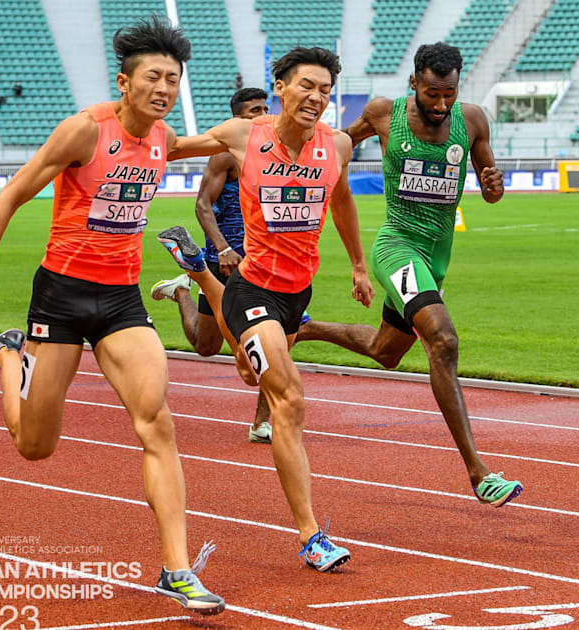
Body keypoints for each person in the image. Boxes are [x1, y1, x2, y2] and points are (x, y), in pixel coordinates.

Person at [0, 17, 225, 615]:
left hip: (121, 300)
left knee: (158, 422)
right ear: (124, 82)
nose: (165, 87)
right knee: (34, 447)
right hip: (62, 299)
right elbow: (11, 194)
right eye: (154, 76)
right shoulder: (83, 132)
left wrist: (270, 126)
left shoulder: (163, 137)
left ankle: (176, 569)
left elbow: (214, 141)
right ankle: (9, 354)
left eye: (174, 79)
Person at [158, 46, 375, 572]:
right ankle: (311, 535)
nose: (316, 97)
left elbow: (341, 201)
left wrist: (358, 265)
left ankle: (197, 278)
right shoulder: (241, 135)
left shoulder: (338, 145)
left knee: (259, 382)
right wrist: (119, 134)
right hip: (252, 289)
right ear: (280, 86)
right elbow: (171, 148)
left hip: (296, 294)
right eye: (306, 85)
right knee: (289, 402)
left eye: (325, 89)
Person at [294, 42, 524, 509]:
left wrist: (494, 186)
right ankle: (479, 473)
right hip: (396, 247)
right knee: (443, 340)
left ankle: (304, 328)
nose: (441, 106)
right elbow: (335, 145)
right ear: (414, 83)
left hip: (436, 258)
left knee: (386, 351)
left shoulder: (474, 120)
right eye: (432, 94)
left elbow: (490, 185)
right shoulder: (383, 114)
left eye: (450, 95)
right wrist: (303, 172)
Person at [149, 87, 273, 443]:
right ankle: (184, 289)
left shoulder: (272, 152)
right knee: (206, 346)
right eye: (253, 110)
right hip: (226, 259)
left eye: (265, 109)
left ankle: (261, 422)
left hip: (259, 262)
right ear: (237, 117)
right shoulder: (224, 155)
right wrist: (222, 248)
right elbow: (203, 205)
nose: (261, 115)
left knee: (267, 340)